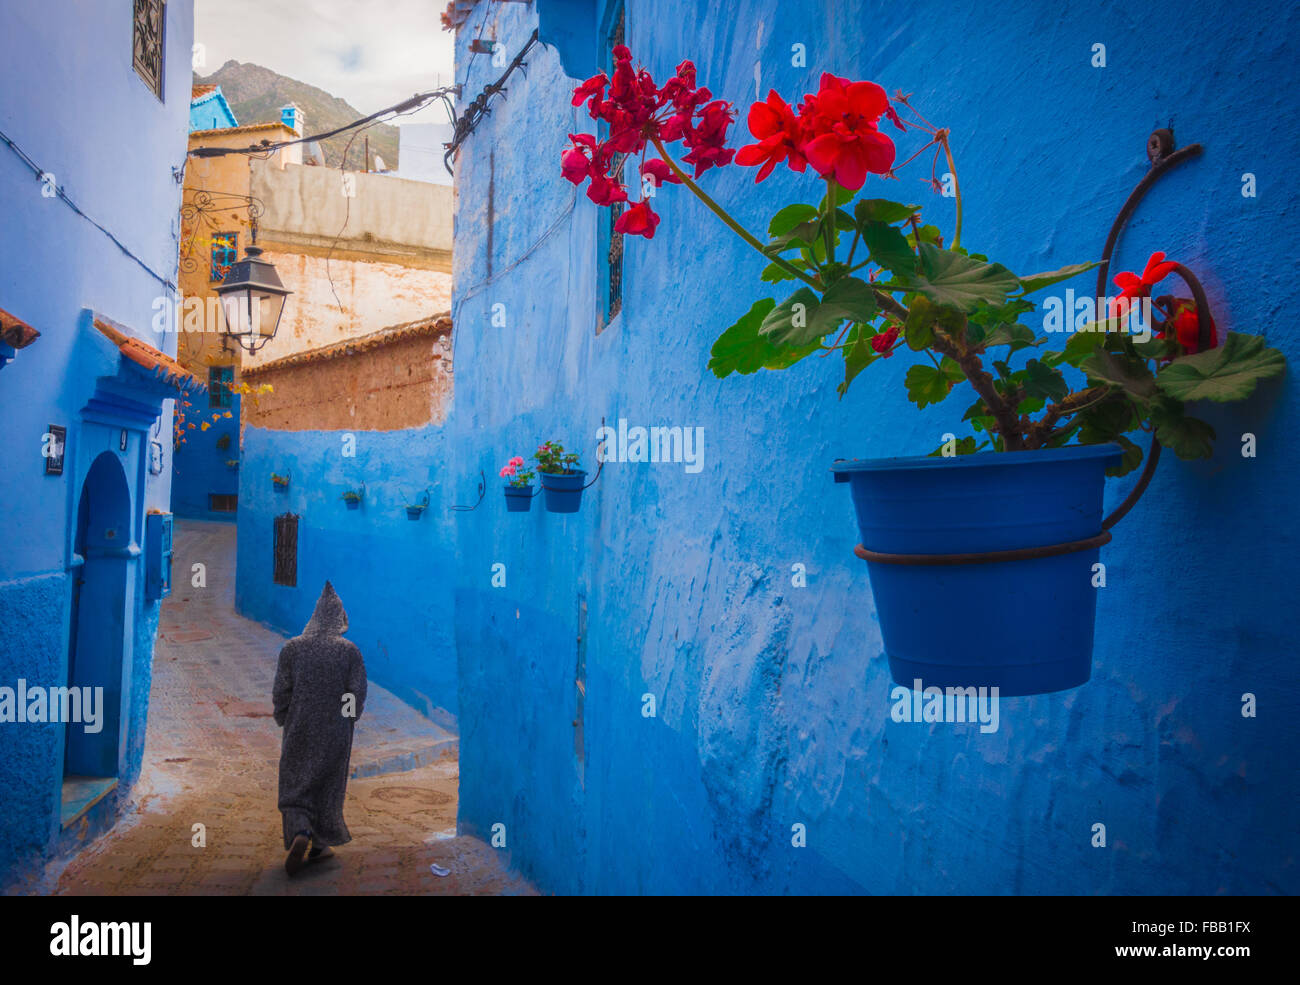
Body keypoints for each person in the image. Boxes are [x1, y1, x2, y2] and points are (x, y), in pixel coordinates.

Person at [272, 581, 368, 875]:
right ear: (339, 618)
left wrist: (284, 717)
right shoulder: (349, 651)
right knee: (327, 787)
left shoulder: (292, 648)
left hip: (299, 728)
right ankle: (320, 845)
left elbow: (281, 692)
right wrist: (346, 721)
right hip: (335, 733)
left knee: (295, 783)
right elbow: (356, 692)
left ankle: (301, 829)